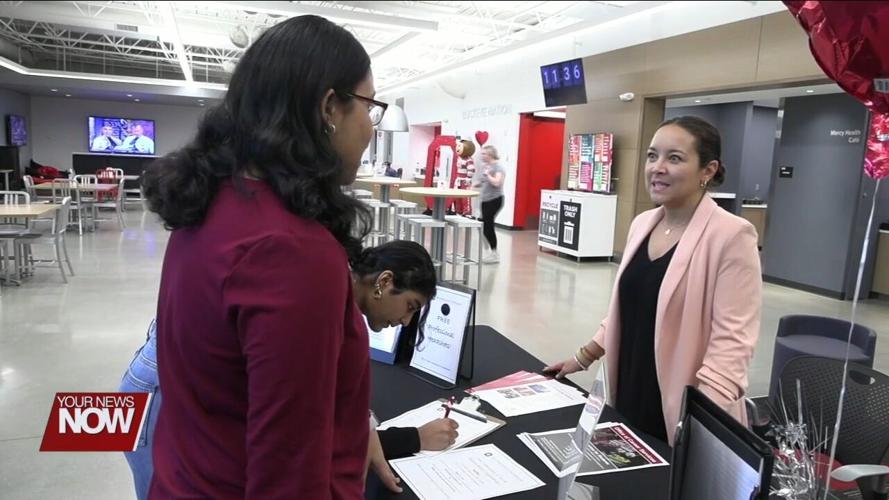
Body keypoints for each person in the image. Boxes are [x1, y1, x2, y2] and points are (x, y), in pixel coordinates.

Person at [139, 15, 381, 499]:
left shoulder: (211, 201)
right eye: (370, 106)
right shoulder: (292, 252)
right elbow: (289, 467)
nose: (370, 128)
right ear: (329, 108)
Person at [544, 116, 762, 445]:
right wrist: (583, 357)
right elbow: (627, 310)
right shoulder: (643, 223)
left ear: (708, 170)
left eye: (674, 158)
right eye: (652, 155)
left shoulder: (731, 235)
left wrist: (700, 426)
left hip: (681, 412)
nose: (657, 168)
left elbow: (732, 345)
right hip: (629, 392)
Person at [473, 145, 506, 263]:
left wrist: (488, 175)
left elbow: (497, 183)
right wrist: (474, 184)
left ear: (490, 155)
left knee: (488, 226)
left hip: (495, 200)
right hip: (485, 200)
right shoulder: (485, 166)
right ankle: (490, 251)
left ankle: (494, 253)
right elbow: (481, 181)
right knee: (483, 225)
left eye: (484, 154)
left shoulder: (498, 168)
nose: (481, 156)